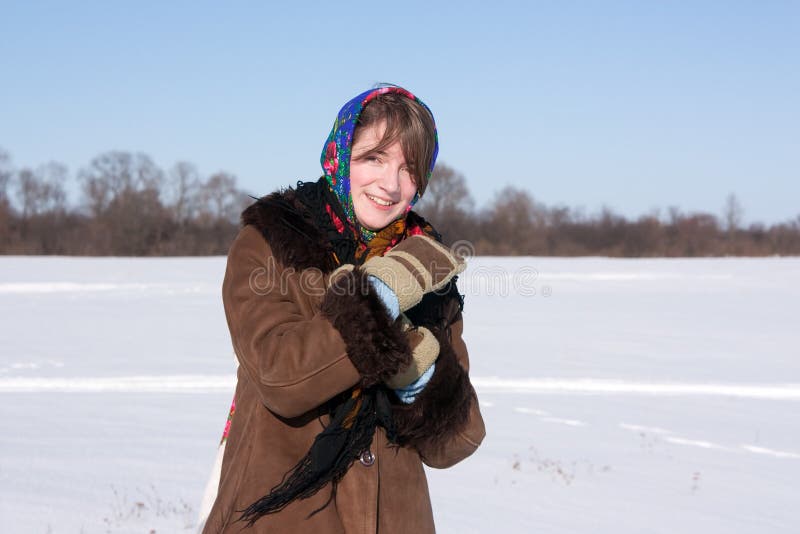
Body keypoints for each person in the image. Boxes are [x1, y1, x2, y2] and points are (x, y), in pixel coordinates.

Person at [200, 84, 485, 533]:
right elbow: (281, 377)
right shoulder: (274, 242)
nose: (390, 184)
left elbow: (457, 440)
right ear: (340, 154)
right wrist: (380, 296)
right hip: (281, 516)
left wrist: (418, 377)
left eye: (409, 169)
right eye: (374, 158)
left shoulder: (428, 267)